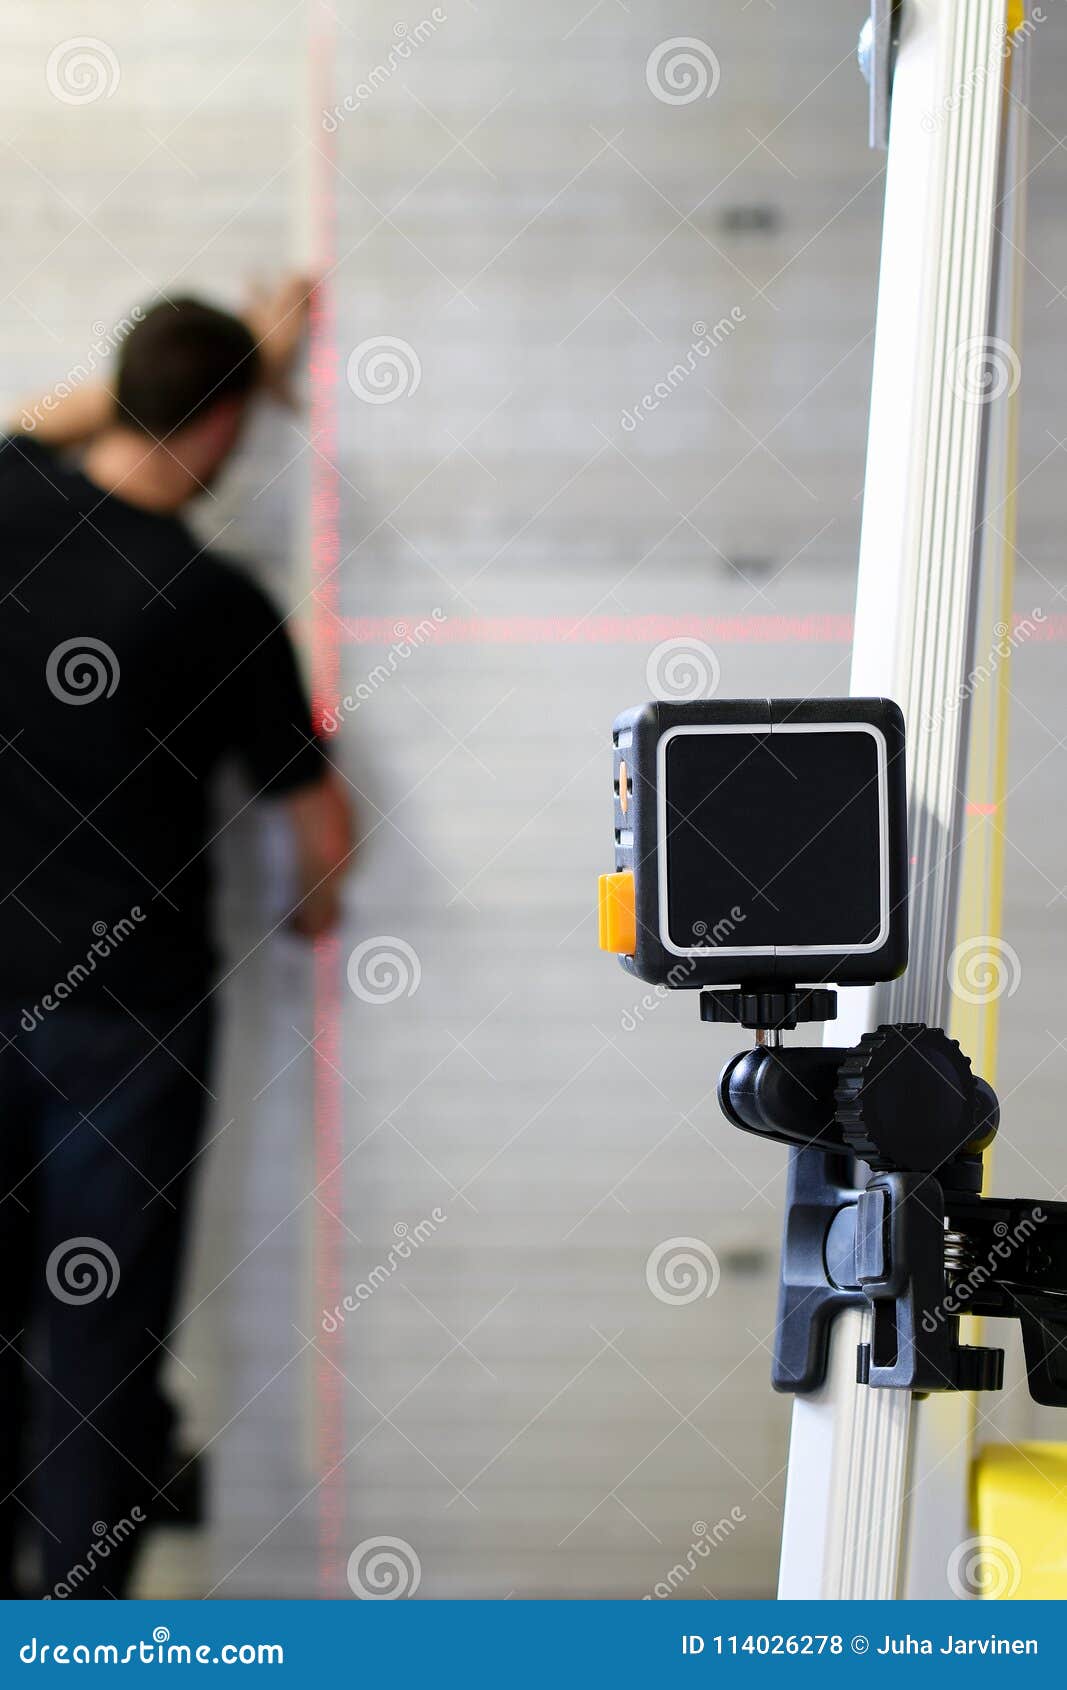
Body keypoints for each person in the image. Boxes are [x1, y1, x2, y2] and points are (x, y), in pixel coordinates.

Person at [0, 280, 354, 1597]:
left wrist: (233, 365)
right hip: (127, 1027)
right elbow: (321, 827)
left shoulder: (12, 502)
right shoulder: (213, 602)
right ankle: (75, 1637)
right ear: (221, 435)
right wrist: (314, 907)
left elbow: (44, 419)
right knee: (99, 1341)